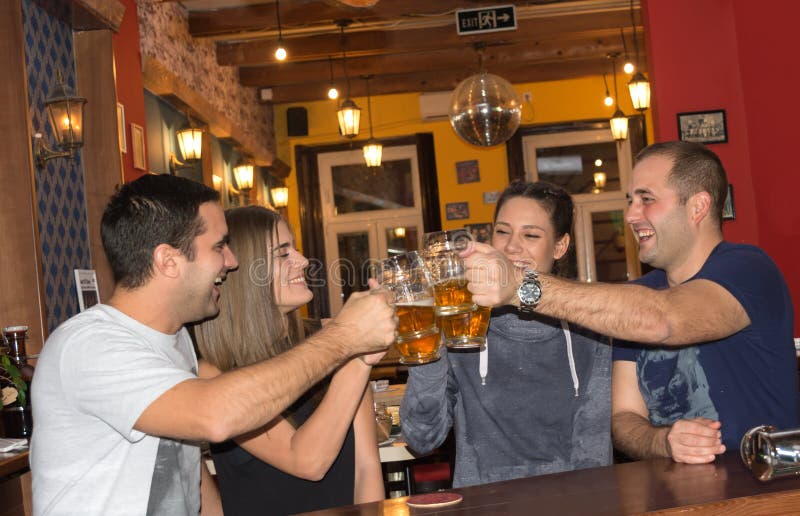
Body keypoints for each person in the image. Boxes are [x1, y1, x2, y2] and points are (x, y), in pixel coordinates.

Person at [30, 174, 395, 515]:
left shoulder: (176, 344)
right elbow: (216, 416)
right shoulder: (90, 345)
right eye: (219, 246)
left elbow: (192, 480)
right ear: (168, 261)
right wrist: (344, 338)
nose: (231, 262)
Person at [463, 141, 799, 465]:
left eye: (646, 199)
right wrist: (663, 441)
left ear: (697, 207)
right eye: (630, 201)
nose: (630, 215)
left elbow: (663, 320)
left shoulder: (749, 269)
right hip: (678, 493)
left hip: (763, 484)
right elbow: (624, 418)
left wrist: (520, 286)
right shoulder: (638, 295)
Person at [401, 182, 612, 488]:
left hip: (570, 501)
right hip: (483, 503)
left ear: (560, 246)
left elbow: (594, 449)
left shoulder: (589, 329)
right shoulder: (462, 322)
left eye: (531, 235)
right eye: (503, 231)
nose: (512, 247)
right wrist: (425, 344)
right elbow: (422, 438)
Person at [192, 206, 384, 514]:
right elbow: (309, 461)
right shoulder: (214, 374)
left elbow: (366, 467)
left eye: (294, 249)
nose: (304, 261)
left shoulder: (331, 337)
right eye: (283, 254)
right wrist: (354, 353)